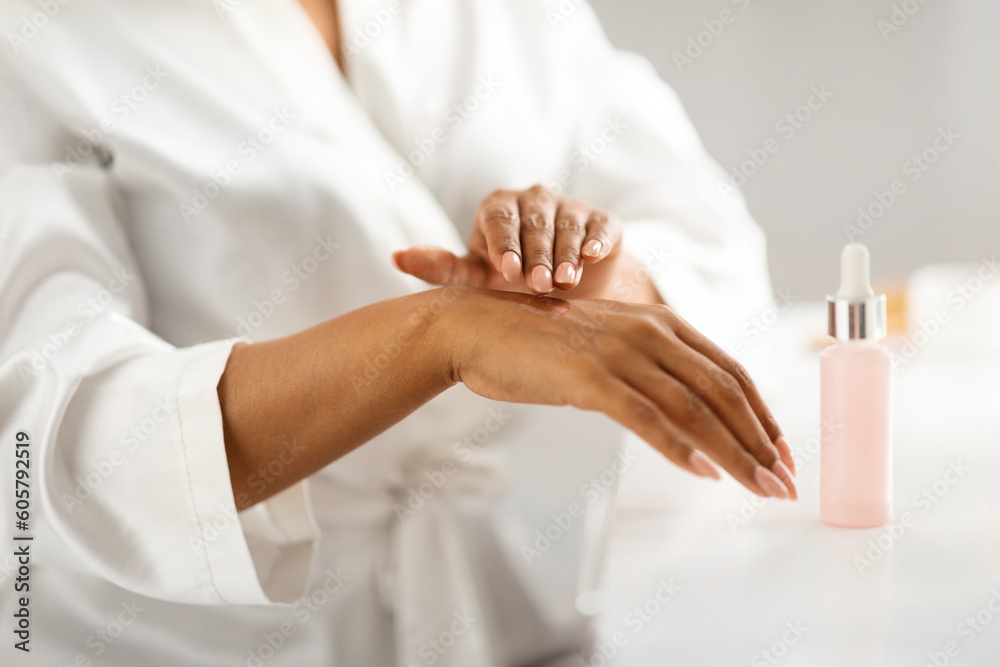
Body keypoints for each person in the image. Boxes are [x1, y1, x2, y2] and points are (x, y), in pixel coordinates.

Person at [0, 0, 796, 664]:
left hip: (517, 615)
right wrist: (437, 337)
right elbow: (38, 440)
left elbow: (708, 235)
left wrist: (573, 283)